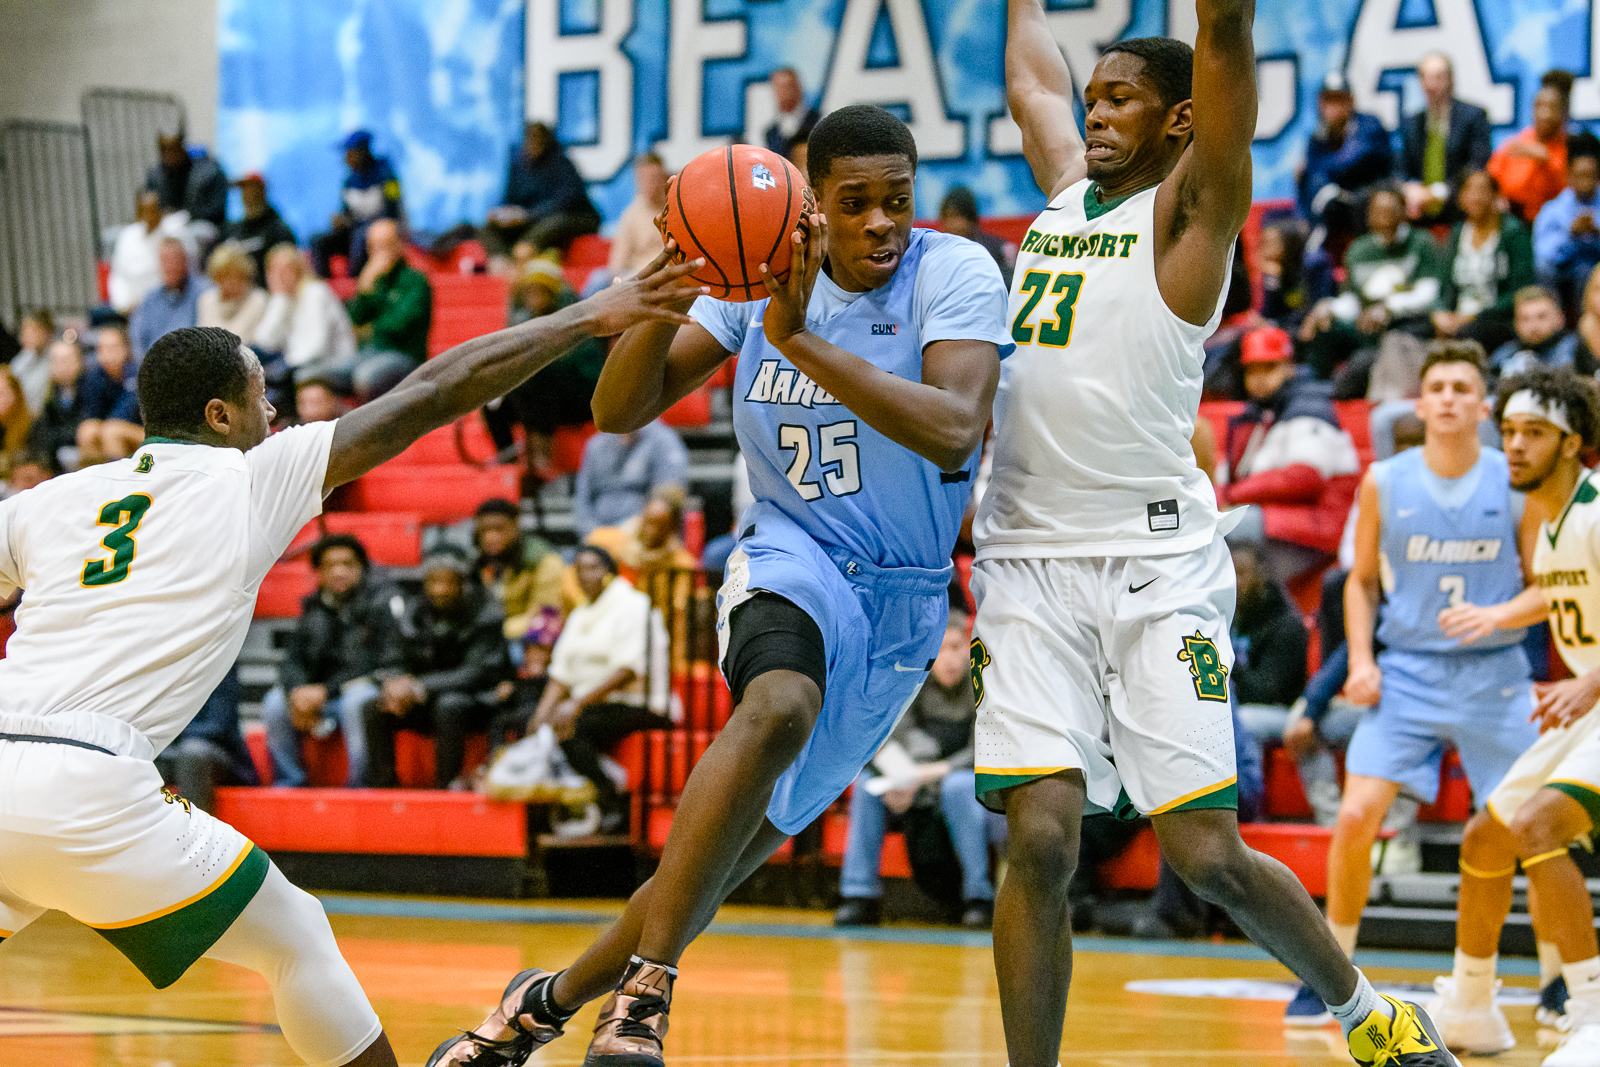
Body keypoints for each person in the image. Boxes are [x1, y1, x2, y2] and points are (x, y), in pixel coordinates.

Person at [0, 229, 708, 1067]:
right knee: (294, 937)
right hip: (91, 782)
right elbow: (441, 385)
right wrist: (589, 316)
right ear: (220, 415)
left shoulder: (49, 498)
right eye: (264, 399)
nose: (277, 416)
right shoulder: (252, 474)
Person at [427, 103, 1010, 1067]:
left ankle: (539, 1006)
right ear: (811, 204)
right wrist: (663, 298)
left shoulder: (951, 271)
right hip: (794, 550)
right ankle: (647, 995)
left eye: (895, 201)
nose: (879, 224)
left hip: (904, 600)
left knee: (713, 866)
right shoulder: (755, 272)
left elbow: (954, 426)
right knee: (778, 703)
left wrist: (799, 339)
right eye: (854, 203)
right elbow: (619, 408)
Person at [979, 0, 1458, 1063]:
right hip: (1027, 563)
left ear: (1181, 120)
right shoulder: (1065, 197)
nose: (1094, 115)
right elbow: (1031, 88)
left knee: (1204, 851)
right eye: (1094, 98)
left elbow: (1227, 36)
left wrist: (1218, 27)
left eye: (1121, 101)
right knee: (1040, 836)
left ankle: (1362, 1010)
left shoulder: (1191, 214)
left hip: (1154, 564)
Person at [1296, 342, 1538, 1025]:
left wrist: (1498, 613)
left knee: (1533, 826)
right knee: (1352, 816)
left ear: (1484, 404)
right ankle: (1332, 969)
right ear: (1421, 402)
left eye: (1465, 385)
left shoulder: (1515, 481)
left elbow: (1545, 584)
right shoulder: (1385, 481)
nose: (1451, 397)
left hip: (1495, 671)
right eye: (1439, 386)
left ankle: (1553, 978)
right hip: (1410, 672)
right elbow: (1362, 582)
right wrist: (1363, 660)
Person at [1422, 368, 1600, 1064]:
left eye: (1536, 433)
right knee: (1484, 839)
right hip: (1588, 707)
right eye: (1512, 432)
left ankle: (1589, 1011)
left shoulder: (1594, 513)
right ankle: (1471, 1004)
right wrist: (1500, 613)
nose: (1517, 445)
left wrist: (1589, 681)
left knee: (1538, 824)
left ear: (1573, 441)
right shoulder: (1551, 523)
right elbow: (1561, 594)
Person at [833, 612, 999, 930]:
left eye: (956, 647)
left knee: (959, 787)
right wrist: (898, 777)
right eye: (941, 650)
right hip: (916, 780)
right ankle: (859, 896)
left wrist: (929, 774)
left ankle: (978, 897)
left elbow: (983, 752)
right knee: (868, 786)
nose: (949, 658)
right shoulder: (912, 682)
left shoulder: (983, 685)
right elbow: (890, 740)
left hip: (964, 782)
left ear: (969, 647)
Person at [527, 544, 670, 835]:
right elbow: (561, 674)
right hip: (592, 702)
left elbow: (628, 670)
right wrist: (539, 715)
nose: (584, 575)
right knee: (527, 720)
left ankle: (611, 802)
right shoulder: (580, 615)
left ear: (609, 572)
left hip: (638, 702)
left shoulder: (633, 604)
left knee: (573, 725)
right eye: (579, 569)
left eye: (593, 567)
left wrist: (575, 704)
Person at [1219, 325, 1361, 584]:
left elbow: (1303, 478)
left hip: (1317, 532)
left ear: (1289, 366)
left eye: (1269, 367)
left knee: (1230, 528)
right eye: (1252, 369)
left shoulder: (1311, 404)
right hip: (1282, 524)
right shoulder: (1257, 415)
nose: (1259, 378)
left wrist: (1230, 495)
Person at [362, 549, 513, 790]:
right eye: (433, 582)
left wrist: (420, 686)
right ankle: (385, 788)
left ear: (462, 583)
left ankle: (445, 787)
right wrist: (395, 682)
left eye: (447, 582)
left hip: (478, 700)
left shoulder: (486, 613)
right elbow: (393, 658)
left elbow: (476, 673)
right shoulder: (412, 612)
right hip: (422, 697)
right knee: (373, 706)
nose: (439, 589)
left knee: (449, 704)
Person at [261, 534, 386, 788]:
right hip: (319, 697)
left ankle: (359, 786)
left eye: (347, 564)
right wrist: (296, 691)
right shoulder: (312, 609)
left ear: (362, 569)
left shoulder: (379, 605)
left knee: (359, 700)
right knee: (274, 703)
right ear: (318, 572)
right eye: (330, 565)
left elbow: (372, 663)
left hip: (354, 691)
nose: (339, 572)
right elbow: (292, 660)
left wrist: (324, 691)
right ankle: (289, 783)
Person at [1298, 185, 1445, 382]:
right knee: (1324, 324)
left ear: (1403, 211)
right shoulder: (1358, 250)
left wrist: (1388, 308)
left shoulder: (1421, 242)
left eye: (1391, 209)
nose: (1385, 215)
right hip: (1364, 324)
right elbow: (1351, 300)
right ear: (1369, 215)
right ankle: (1319, 388)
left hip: (1404, 322)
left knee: (1406, 328)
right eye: (1378, 210)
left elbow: (1428, 293)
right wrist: (1329, 307)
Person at [487, 259, 607, 478]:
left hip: (584, 394)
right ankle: (509, 458)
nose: (534, 295)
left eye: (539, 290)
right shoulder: (523, 317)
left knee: (542, 374)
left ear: (551, 292)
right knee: (492, 395)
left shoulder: (576, 316)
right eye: (529, 290)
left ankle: (542, 457)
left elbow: (577, 363)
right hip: (537, 397)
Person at [1435, 170, 1538, 356]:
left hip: (1498, 319)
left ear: (1496, 196)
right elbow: (1445, 285)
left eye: (1482, 190)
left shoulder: (1512, 232)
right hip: (1459, 317)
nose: (1475, 197)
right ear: (1461, 197)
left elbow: (1520, 291)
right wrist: (1441, 312)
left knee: (1469, 334)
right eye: (1469, 190)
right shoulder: (1458, 233)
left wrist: (1475, 316)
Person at [1228, 541, 1310, 746]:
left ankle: (1247, 780)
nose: (1235, 582)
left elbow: (1265, 693)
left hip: (1285, 712)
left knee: (1240, 720)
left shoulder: (1287, 624)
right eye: (1229, 574)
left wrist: (1224, 659)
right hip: (1241, 704)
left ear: (1261, 574)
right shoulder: (1231, 617)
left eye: (1241, 574)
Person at [1399, 52, 1494, 222]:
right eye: (1426, 78)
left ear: (1451, 79)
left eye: (1438, 77)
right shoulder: (1411, 122)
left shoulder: (1473, 116)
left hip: (1458, 204)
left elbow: (1476, 166)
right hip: (1418, 207)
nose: (1431, 85)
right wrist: (1409, 189)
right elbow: (1400, 167)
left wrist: (1437, 192)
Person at [1297, 71, 1394, 238]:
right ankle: (1315, 248)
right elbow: (1310, 176)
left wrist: (1318, 168)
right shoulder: (1317, 138)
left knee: (1322, 182)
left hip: (1366, 197)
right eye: (1328, 100)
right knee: (1313, 184)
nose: (1333, 107)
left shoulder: (1369, 125)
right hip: (1336, 206)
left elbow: (1355, 161)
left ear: (1351, 101)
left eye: (1338, 99)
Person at [484, 122, 602, 258]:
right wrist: (501, 213)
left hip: (571, 218)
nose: (533, 144)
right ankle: (500, 260)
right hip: (531, 220)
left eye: (537, 138)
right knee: (489, 227)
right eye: (529, 139)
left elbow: (567, 202)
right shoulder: (519, 166)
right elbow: (509, 199)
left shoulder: (561, 164)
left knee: (553, 223)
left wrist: (528, 215)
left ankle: (526, 250)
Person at [345, 218, 433, 399]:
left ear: (400, 245)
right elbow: (355, 319)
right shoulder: (373, 281)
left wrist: (369, 329)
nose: (378, 252)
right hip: (371, 352)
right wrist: (363, 287)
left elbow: (397, 327)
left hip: (407, 357)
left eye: (384, 245)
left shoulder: (416, 280)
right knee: (316, 375)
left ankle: (370, 426)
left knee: (363, 377)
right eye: (373, 246)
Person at [154, 667, 259, 814]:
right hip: (176, 750)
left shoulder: (220, 658)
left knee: (192, 753)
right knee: (137, 757)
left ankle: (195, 835)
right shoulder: (163, 666)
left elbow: (218, 726)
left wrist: (171, 735)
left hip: (222, 754)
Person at [253, 243, 359, 389]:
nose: (279, 276)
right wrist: (280, 301)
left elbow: (316, 348)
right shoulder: (283, 298)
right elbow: (264, 341)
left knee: (292, 378)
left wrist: (286, 367)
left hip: (336, 363)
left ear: (299, 269)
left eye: (285, 270)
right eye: (274, 271)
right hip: (302, 363)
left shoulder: (316, 292)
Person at [572, 420, 689, 538]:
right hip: (598, 534)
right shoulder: (597, 443)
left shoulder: (664, 440)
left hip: (642, 534)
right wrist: (590, 531)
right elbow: (582, 497)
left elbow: (668, 495)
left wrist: (634, 530)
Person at [311, 130, 404, 279]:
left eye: (351, 152)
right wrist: (341, 220)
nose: (347, 157)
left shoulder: (387, 177)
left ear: (363, 152)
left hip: (376, 235)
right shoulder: (349, 182)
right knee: (318, 240)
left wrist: (362, 223)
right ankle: (323, 284)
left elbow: (392, 211)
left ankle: (356, 283)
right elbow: (347, 213)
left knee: (360, 235)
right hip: (353, 233)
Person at [472, 498, 564, 641]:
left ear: (515, 526)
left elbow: (544, 618)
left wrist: (494, 630)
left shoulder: (544, 561)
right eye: (485, 530)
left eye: (498, 528)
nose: (490, 536)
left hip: (529, 641)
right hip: (492, 637)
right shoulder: (481, 563)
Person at [1488, 78, 1571, 225]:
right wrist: (1496, 198)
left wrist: (1548, 160)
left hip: (1557, 222)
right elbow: (1490, 179)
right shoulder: (1517, 144)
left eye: (1552, 107)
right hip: (1513, 219)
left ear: (1564, 112)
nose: (1545, 113)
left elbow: (1574, 191)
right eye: (1540, 106)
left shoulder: (1572, 147)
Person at [1535, 132, 1600, 311]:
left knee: (1586, 272)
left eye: (1590, 175)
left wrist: (1596, 233)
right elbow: (1543, 254)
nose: (1585, 181)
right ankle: (1551, 325)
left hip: (1594, 273)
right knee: (1543, 268)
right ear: (1569, 176)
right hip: (1562, 274)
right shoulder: (1553, 209)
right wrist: (1570, 235)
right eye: (1580, 175)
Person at [108, 191, 196, 314]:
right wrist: (122, 305)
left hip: (168, 306)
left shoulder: (175, 234)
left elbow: (185, 274)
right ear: (139, 213)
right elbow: (118, 275)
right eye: (145, 211)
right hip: (129, 309)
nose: (150, 216)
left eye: (153, 211)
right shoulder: (127, 236)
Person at [129, 236, 211, 363]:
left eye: (175, 260)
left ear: (185, 261)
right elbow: (137, 339)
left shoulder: (204, 292)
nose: (170, 266)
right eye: (165, 261)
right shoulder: (150, 298)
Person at [595, 153, 669, 288]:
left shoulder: (676, 210)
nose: (649, 184)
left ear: (663, 177)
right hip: (638, 274)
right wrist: (615, 280)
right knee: (598, 280)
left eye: (653, 178)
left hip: (667, 274)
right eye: (643, 179)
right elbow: (619, 259)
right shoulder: (631, 214)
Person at [145, 123, 229, 235]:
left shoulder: (208, 171)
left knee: (183, 234)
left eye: (174, 148)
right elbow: (150, 208)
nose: (171, 154)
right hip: (165, 225)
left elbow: (216, 210)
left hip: (200, 225)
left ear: (182, 145)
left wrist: (185, 216)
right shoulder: (155, 176)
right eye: (165, 149)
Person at [76, 325, 143, 465]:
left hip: (144, 431)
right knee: (87, 430)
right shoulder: (94, 376)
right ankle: (92, 482)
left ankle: (121, 483)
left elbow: (125, 414)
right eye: (102, 348)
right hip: (110, 426)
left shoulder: (137, 374)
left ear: (126, 349)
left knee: (112, 431)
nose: (107, 353)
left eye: (113, 348)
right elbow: (92, 415)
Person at [1489, 285, 1579, 380]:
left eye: (1541, 317)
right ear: (1516, 324)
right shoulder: (1502, 357)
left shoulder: (1576, 350)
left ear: (1560, 319)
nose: (1533, 326)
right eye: (1525, 319)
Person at [224, 174, 297, 284]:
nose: (247, 194)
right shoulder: (233, 230)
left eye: (251, 188)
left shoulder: (278, 229)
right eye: (243, 189)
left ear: (262, 191)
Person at [27, 340, 86, 472]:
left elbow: (85, 427)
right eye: (56, 361)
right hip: (58, 456)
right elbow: (43, 432)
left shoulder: (90, 388)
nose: (61, 366)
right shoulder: (49, 394)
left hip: (85, 454)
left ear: (79, 361)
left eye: (66, 360)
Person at [939, 185, 1013, 287]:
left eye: (955, 216)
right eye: (945, 217)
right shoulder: (939, 254)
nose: (949, 224)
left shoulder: (997, 250)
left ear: (971, 219)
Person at [198, 243, 269, 342]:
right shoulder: (207, 300)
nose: (230, 282)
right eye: (223, 276)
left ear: (245, 276)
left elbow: (245, 341)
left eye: (236, 276)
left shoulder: (258, 300)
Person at [764, 67, 821, 162]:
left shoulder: (816, 122)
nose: (784, 92)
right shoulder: (771, 132)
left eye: (788, 86)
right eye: (779, 87)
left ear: (798, 87)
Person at [11, 309, 53, 417]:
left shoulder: (56, 358)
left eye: (33, 330)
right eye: (24, 331)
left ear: (47, 332)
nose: (26, 336)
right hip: (20, 417)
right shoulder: (22, 359)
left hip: (45, 418)